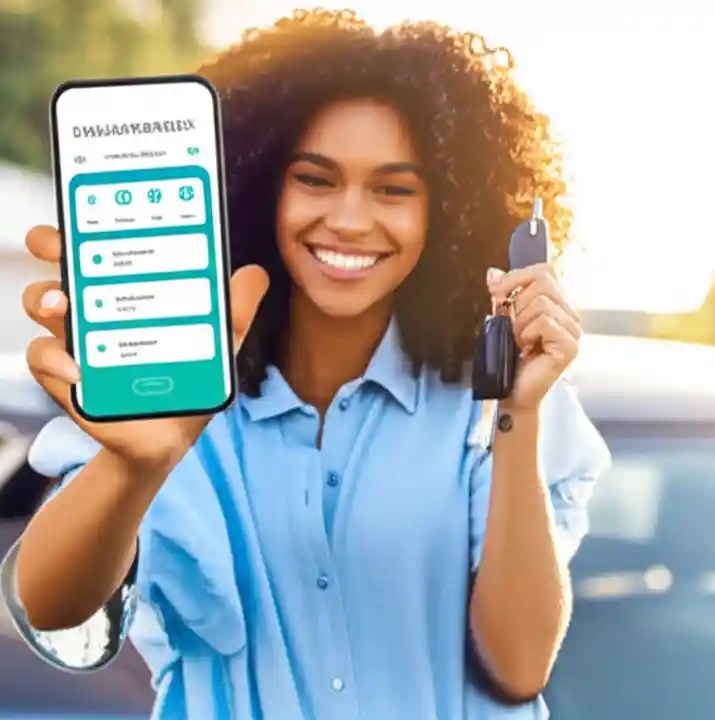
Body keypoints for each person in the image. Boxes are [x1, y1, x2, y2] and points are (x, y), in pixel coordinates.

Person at [4, 9, 611, 719]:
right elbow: (50, 608)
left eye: (394, 189)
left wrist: (520, 414)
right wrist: (135, 466)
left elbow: (518, 665)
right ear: (261, 188)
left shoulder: (493, 396)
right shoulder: (175, 385)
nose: (351, 220)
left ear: (446, 210)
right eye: (316, 180)